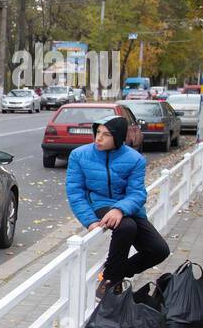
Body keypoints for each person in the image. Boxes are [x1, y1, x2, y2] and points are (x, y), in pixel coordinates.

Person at [67, 115, 170, 299]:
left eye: (105, 135)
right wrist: (90, 221)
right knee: (126, 227)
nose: (98, 138)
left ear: (118, 137)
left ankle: (114, 275)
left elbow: (137, 193)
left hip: (129, 208)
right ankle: (109, 284)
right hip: (99, 204)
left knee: (159, 250)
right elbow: (75, 192)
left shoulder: (135, 159)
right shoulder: (79, 155)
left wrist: (120, 209)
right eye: (97, 132)